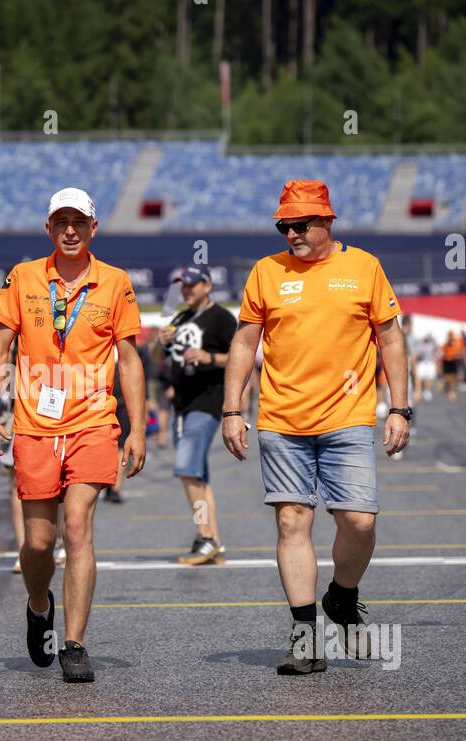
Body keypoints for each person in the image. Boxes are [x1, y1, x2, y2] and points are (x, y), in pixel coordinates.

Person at [221, 180, 410, 676]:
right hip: (281, 420)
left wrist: (399, 407)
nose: (292, 234)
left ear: (327, 220)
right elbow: (244, 344)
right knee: (291, 523)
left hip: (348, 417)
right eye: (284, 225)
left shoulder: (364, 267)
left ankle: (342, 596)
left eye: (301, 224)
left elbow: (390, 339)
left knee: (359, 521)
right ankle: (305, 640)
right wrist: (232, 408)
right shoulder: (265, 272)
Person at [0, 187, 146, 683]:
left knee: (78, 529)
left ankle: (74, 643)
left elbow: (129, 359)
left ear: (94, 228)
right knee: (38, 542)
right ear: (49, 229)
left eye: (79, 222)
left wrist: (136, 429)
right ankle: (37, 602)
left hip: (94, 422)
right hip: (33, 426)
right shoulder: (24, 277)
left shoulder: (114, 282)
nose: (70, 230)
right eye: (61, 222)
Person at [161, 266, 237, 564]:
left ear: (207, 285)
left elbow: (243, 355)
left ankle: (206, 537)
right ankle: (213, 539)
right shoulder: (181, 318)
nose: (187, 290)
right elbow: (159, 359)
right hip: (182, 404)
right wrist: (161, 344)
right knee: (198, 475)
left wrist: (210, 357)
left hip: (207, 401)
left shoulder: (221, 318)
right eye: (183, 286)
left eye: (192, 285)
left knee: (186, 467)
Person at [413, 334, 438, 401]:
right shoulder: (421, 345)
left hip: (430, 362)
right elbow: (417, 354)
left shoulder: (431, 345)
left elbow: (436, 348)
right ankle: (422, 390)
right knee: (422, 377)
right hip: (423, 362)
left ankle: (427, 390)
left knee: (429, 377)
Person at [441, 330, 465, 400]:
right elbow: (442, 352)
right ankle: (449, 390)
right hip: (446, 361)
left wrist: (457, 356)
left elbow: (459, 353)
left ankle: (452, 391)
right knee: (447, 377)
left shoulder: (455, 344)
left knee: (453, 377)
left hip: (453, 362)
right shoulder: (446, 345)